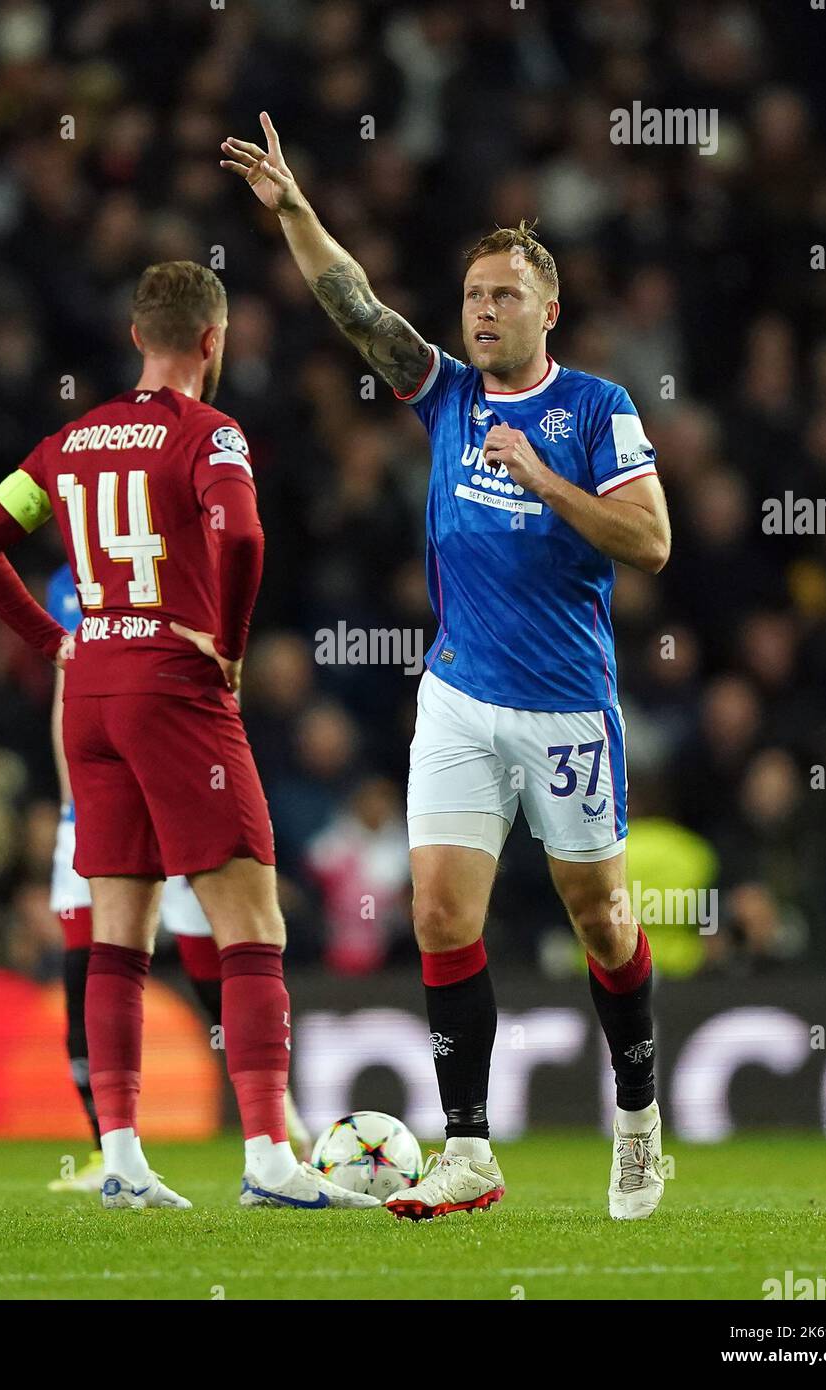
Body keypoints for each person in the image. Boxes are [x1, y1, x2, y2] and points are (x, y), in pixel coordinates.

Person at [223, 115, 671, 1221]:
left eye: (504, 295)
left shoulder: (593, 410)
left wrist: (541, 478)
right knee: (436, 912)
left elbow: (650, 541)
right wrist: (294, 214)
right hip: (461, 697)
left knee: (601, 922)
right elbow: (358, 307)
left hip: (566, 709)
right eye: (473, 294)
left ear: (546, 309)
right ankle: (468, 1148)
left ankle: (638, 1120)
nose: (482, 309)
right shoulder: (446, 395)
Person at [0, 259, 374, 1211]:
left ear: (138, 336)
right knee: (252, 925)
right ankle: (269, 1156)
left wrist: (57, 640)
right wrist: (225, 644)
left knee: (117, 939)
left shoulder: (69, 442)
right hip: (173, 691)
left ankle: (126, 1161)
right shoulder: (212, 435)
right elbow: (247, 539)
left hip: (90, 694)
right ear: (213, 341)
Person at [43, 561, 311, 1194]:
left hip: (153, 771)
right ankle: (255, 1148)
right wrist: (69, 809)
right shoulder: (91, 576)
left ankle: (133, 1157)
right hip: (137, 775)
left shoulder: (171, 562)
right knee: (107, 959)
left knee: (186, 956)